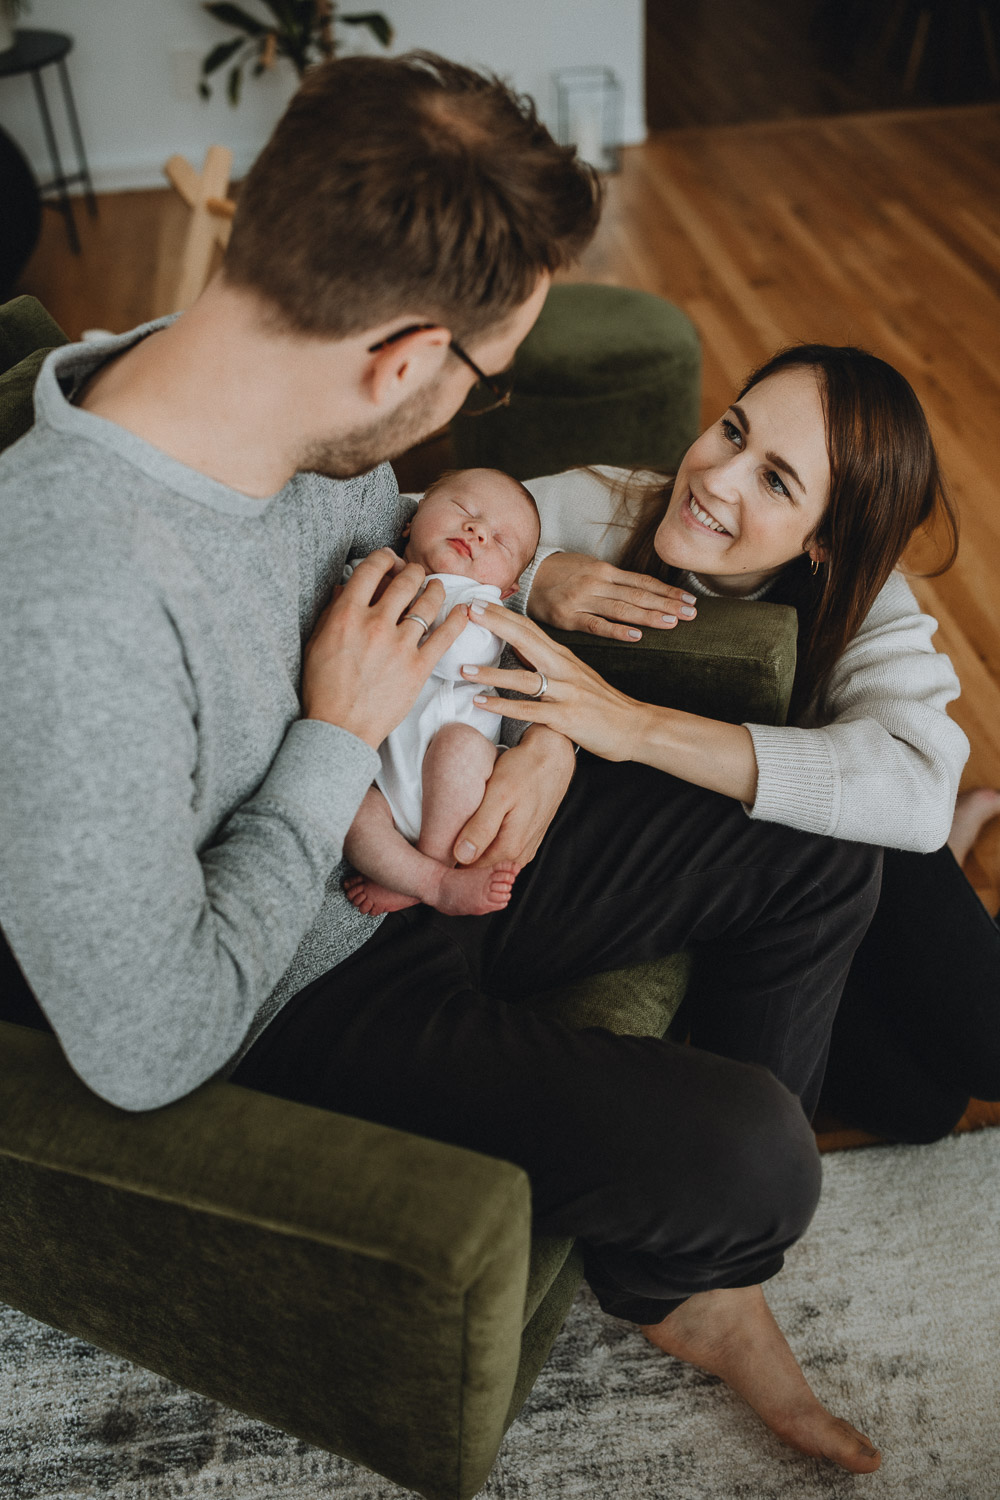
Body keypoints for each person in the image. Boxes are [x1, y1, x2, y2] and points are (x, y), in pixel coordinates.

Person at [0, 54, 885, 1477]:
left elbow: (406, 566)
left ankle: (682, 1277)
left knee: (820, 837)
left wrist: (532, 732)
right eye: (486, 376)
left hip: (423, 795)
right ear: (408, 356)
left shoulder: (258, 385)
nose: (475, 405)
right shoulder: (60, 606)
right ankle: (701, 1245)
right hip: (294, 973)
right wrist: (335, 744)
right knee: (752, 1161)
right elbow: (147, 1043)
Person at [458, 342, 999, 1145]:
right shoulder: (605, 507)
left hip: (786, 879)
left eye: (776, 481)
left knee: (944, 1085)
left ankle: (921, 873)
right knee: (928, 1097)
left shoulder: (860, 595)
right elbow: (407, 521)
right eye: (733, 432)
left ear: (824, 542)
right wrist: (534, 571)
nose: (715, 477)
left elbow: (920, 786)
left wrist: (632, 725)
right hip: (708, 873)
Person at [342, 467, 540, 918]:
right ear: (410, 520)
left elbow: (455, 658)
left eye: (500, 541)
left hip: (451, 790)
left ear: (508, 589)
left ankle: (435, 862)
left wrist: (410, 601)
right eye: (464, 511)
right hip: (383, 784)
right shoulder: (376, 565)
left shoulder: (481, 607)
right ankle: (428, 880)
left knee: (461, 746)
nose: (477, 531)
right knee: (348, 806)